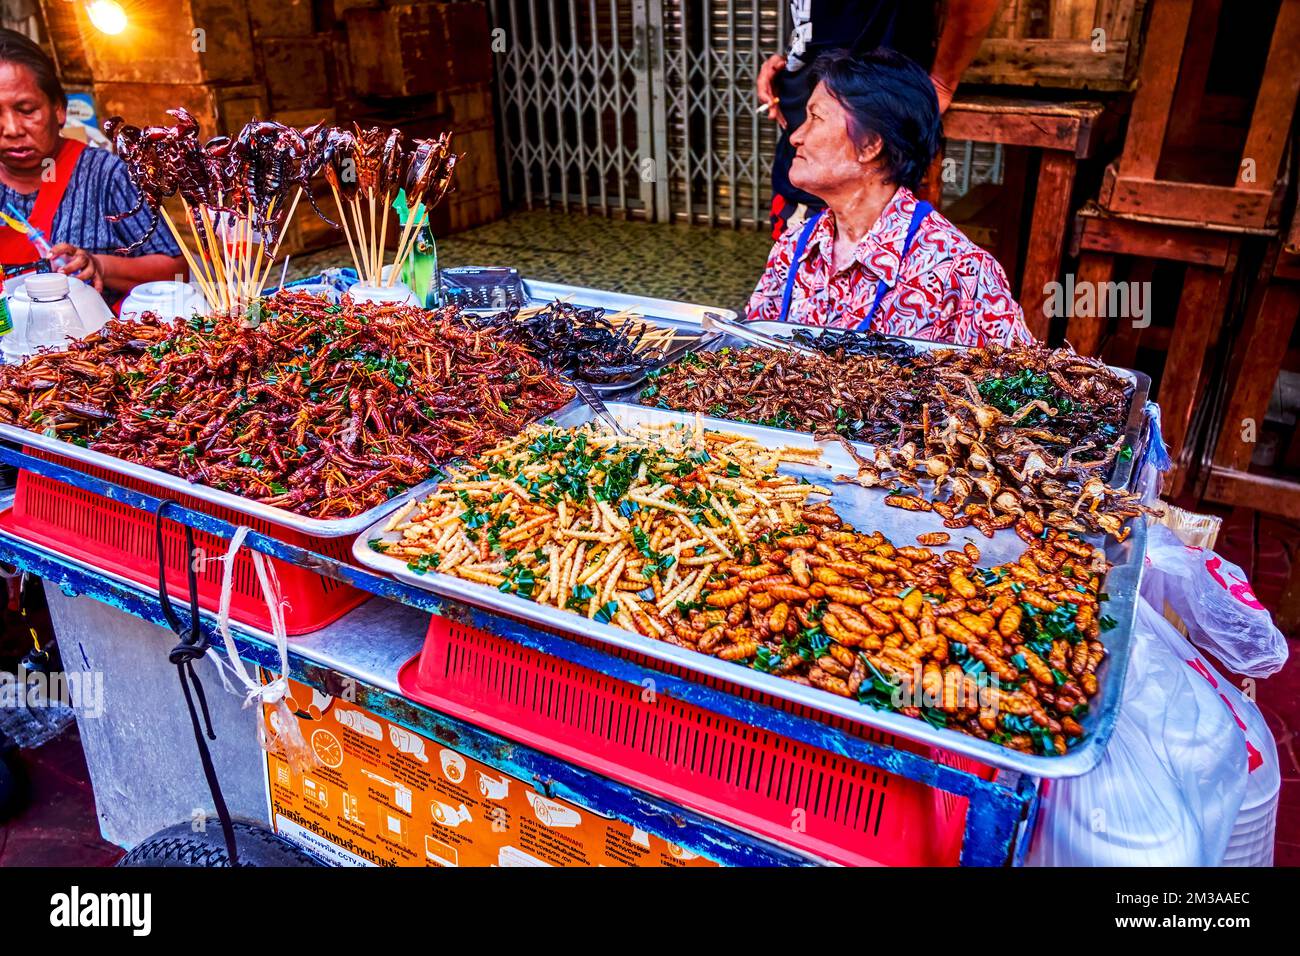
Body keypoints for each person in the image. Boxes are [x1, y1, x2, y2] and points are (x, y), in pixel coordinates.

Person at [746, 48, 1030, 346]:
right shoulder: (793, 250)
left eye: (816, 117)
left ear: (870, 144)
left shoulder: (961, 274)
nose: (795, 137)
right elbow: (747, 353)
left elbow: (1024, 384)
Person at [757, 1, 1003, 237]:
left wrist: (942, 81)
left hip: (857, 175)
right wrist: (793, 58)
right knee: (795, 270)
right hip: (801, 167)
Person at [0, 29, 183, 299]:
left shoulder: (107, 174)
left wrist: (99, 265)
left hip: (94, 338)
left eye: (27, 110)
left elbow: (175, 271)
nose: (12, 129)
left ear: (59, 109)